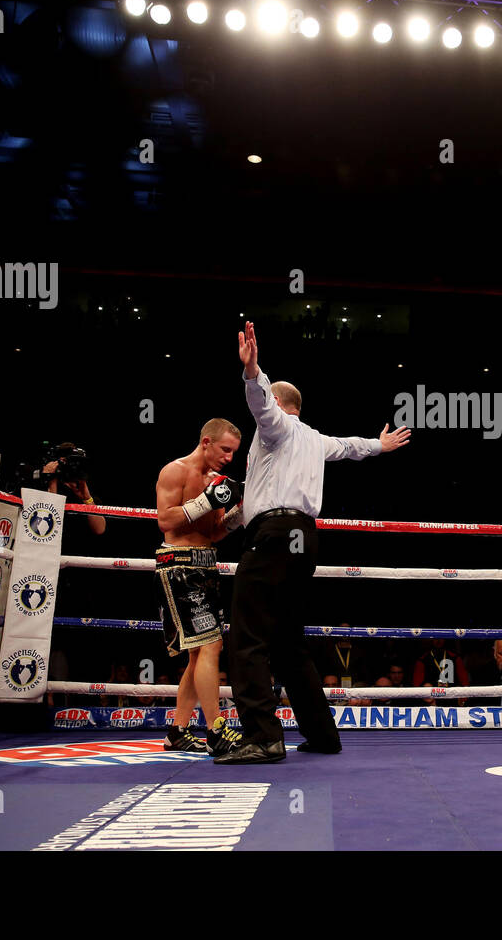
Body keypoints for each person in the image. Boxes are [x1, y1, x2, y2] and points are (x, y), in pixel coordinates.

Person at [216, 321, 411, 764]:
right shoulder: (316, 440)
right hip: (303, 539)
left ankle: (263, 736)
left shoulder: (278, 427)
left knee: (247, 637)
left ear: (283, 406)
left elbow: (261, 404)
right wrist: (380, 446)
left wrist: (252, 371)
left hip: (272, 537)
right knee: (287, 642)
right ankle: (323, 735)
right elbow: (352, 446)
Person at [154, 418, 245, 754]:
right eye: (225, 450)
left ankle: (178, 731)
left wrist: (239, 513)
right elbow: (165, 521)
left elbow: (215, 532)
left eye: (234, 452)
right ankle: (217, 729)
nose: (229, 458)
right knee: (210, 648)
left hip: (207, 565)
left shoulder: (218, 481)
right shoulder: (174, 471)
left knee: (199, 654)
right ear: (206, 442)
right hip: (178, 565)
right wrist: (206, 500)